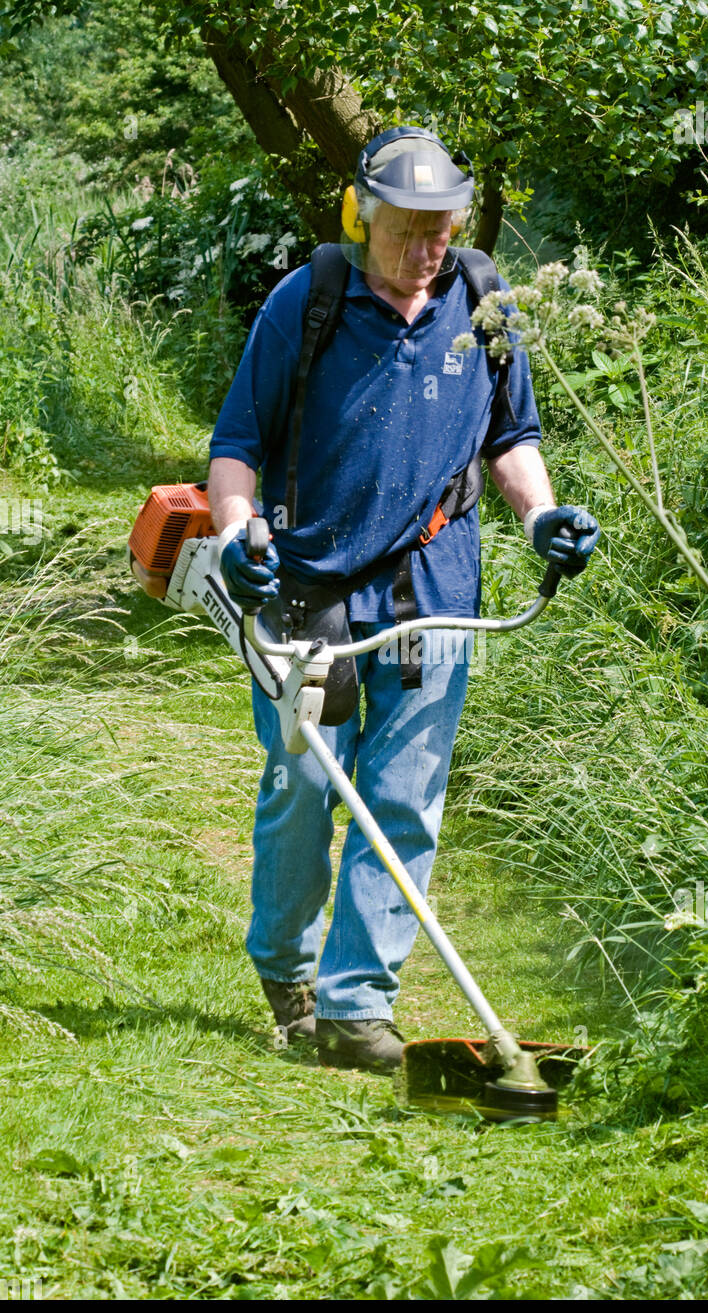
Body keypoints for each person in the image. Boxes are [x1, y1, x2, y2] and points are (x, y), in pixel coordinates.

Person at [207, 126, 600, 1073]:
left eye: (443, 228)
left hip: (434, 586)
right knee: (302, 787)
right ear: (361, 214)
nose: (427, 250)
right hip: (304, 587)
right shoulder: (309, 302)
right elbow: (236, 446)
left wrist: (541, 515)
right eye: (408, 230)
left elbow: (514, 436)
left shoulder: (482, 301)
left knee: (403, 798)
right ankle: (286, 969)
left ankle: (356, 1007)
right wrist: (232, 535)